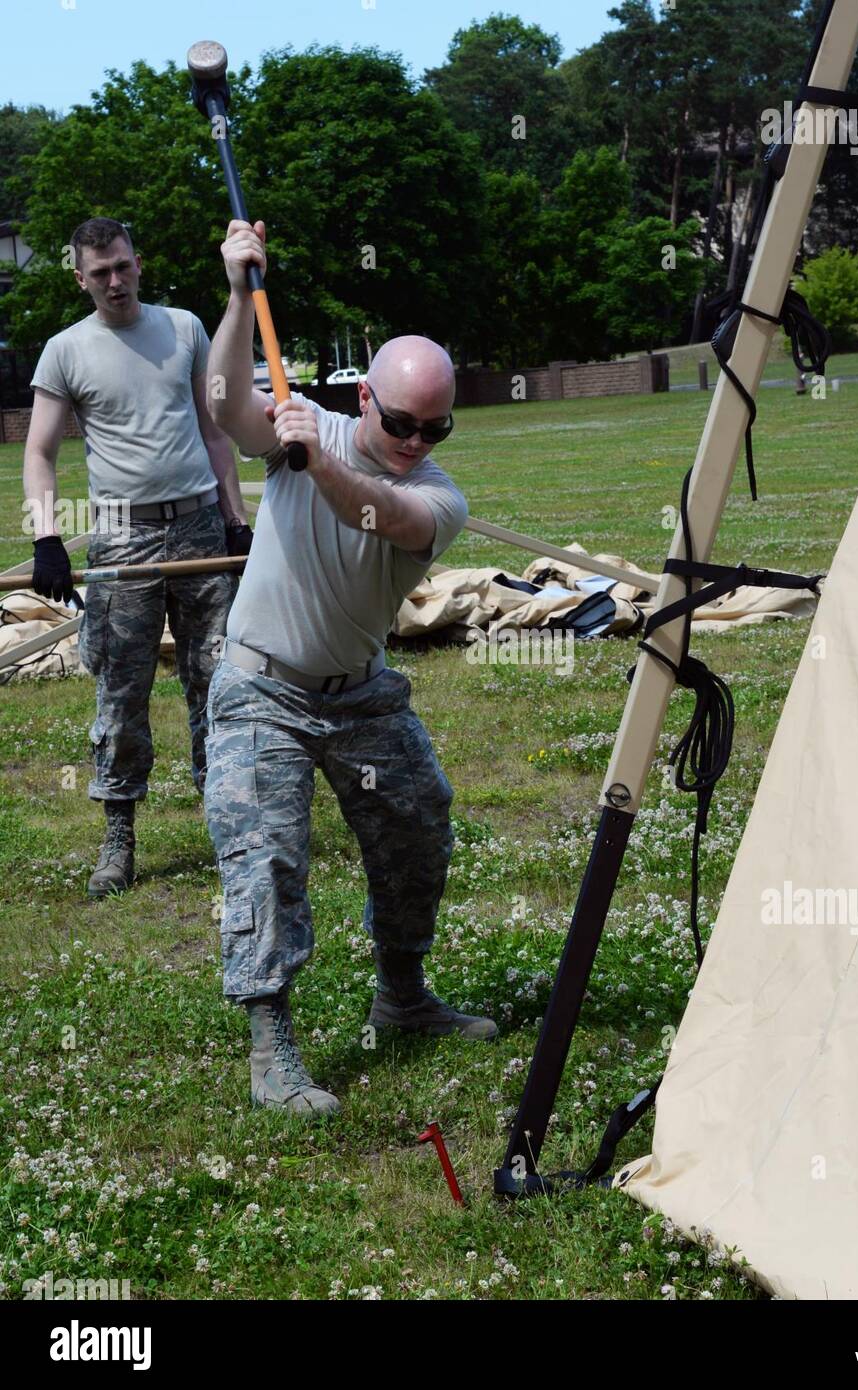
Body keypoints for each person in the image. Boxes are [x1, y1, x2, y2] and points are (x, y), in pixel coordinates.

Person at [204, 219, 496, 1118]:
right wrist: (234, 294)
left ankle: (403, 996)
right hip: (261, 687)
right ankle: (271, 1046)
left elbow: (382, 517)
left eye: (434, 425)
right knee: (266, 857)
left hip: (359, 693)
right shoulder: (306, 420)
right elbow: (223, 405)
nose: (415, 439)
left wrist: (316, 457)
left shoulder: (438, 498)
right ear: (364, 395)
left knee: (418, 828)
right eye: (401, 421)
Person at [24, 217, 251, 897]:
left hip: (199, 531)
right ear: (79, 277)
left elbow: (214, 431)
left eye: (122, 267)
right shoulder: (65, 350)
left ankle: (229, 823)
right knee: (122, 694)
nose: (114, 282)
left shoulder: (183, 328)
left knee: (220, 681)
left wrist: (236, 521)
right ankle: (119, 836)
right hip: (121, 540)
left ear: (138, 263)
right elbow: (39, 452)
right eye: (100, 273)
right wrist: (45, 539)